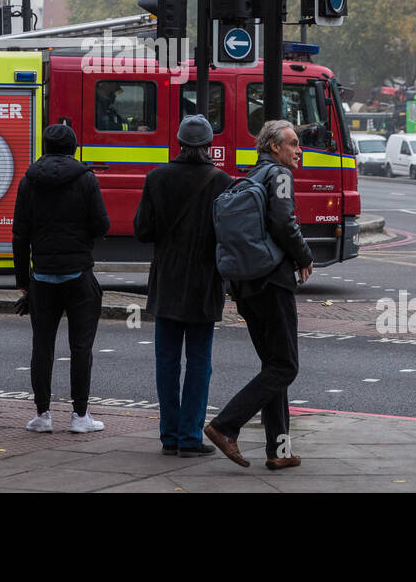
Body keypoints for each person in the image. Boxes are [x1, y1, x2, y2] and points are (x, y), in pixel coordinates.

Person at [204, 119, 313, 471]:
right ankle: (225, 425)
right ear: (274, 147)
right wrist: (304, 256)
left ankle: (279, 451)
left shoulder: (249, 177)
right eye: (293, 143)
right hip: (273, 282)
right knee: (285, 366)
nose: (299, 150)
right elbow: (284, 221)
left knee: (273, 366)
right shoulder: (278, 175)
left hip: (246, 286)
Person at [133, 114, 232, 457]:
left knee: (167, 362)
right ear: (209, 146)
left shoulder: (156, 178)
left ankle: (169, 435)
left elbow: (143, 231)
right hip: (204, 283)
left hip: (167, 282)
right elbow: (229, 236)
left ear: (178, 142)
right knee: (200, 362)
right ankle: (190, 436)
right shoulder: (222, 182)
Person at [13, 122, 110, 434]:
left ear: (45, 147)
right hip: (79, 274)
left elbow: (19, 234)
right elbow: (102, 225)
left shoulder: (29, 181)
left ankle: (42, 415)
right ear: (73, 147)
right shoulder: (86, 179)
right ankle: (80, 417)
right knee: (81, 346)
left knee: (42, 346)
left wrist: (22, 282)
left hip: (41, 276)